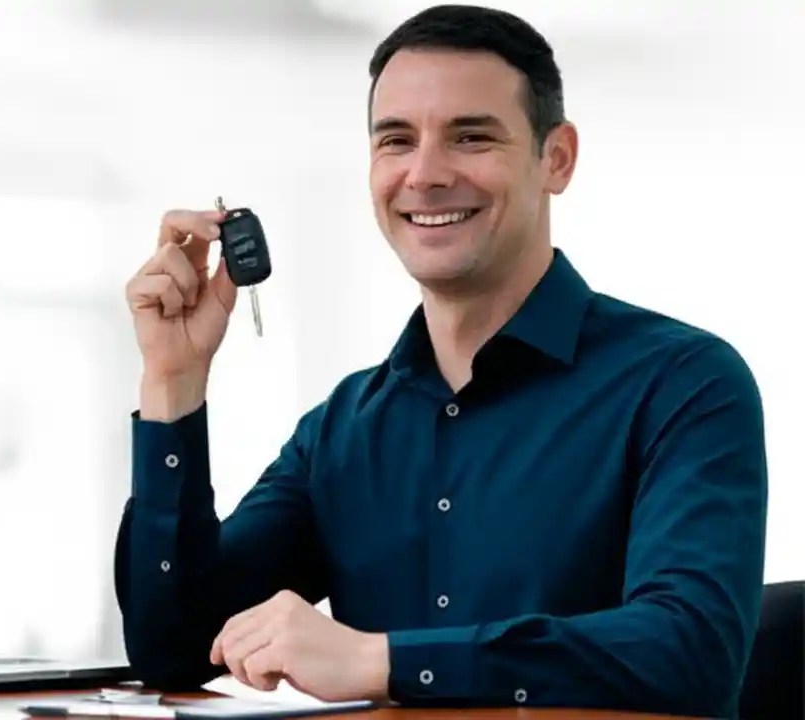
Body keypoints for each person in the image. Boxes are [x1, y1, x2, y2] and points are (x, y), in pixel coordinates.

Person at [114, 4, 768, 718]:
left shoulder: (684, 384)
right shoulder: (340, 432)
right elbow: (174, 646)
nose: (424, 175)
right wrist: (172, 384)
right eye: (396, 140)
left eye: (471, 137)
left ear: (557, 158)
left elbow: (690, 652)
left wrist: (383, 660)